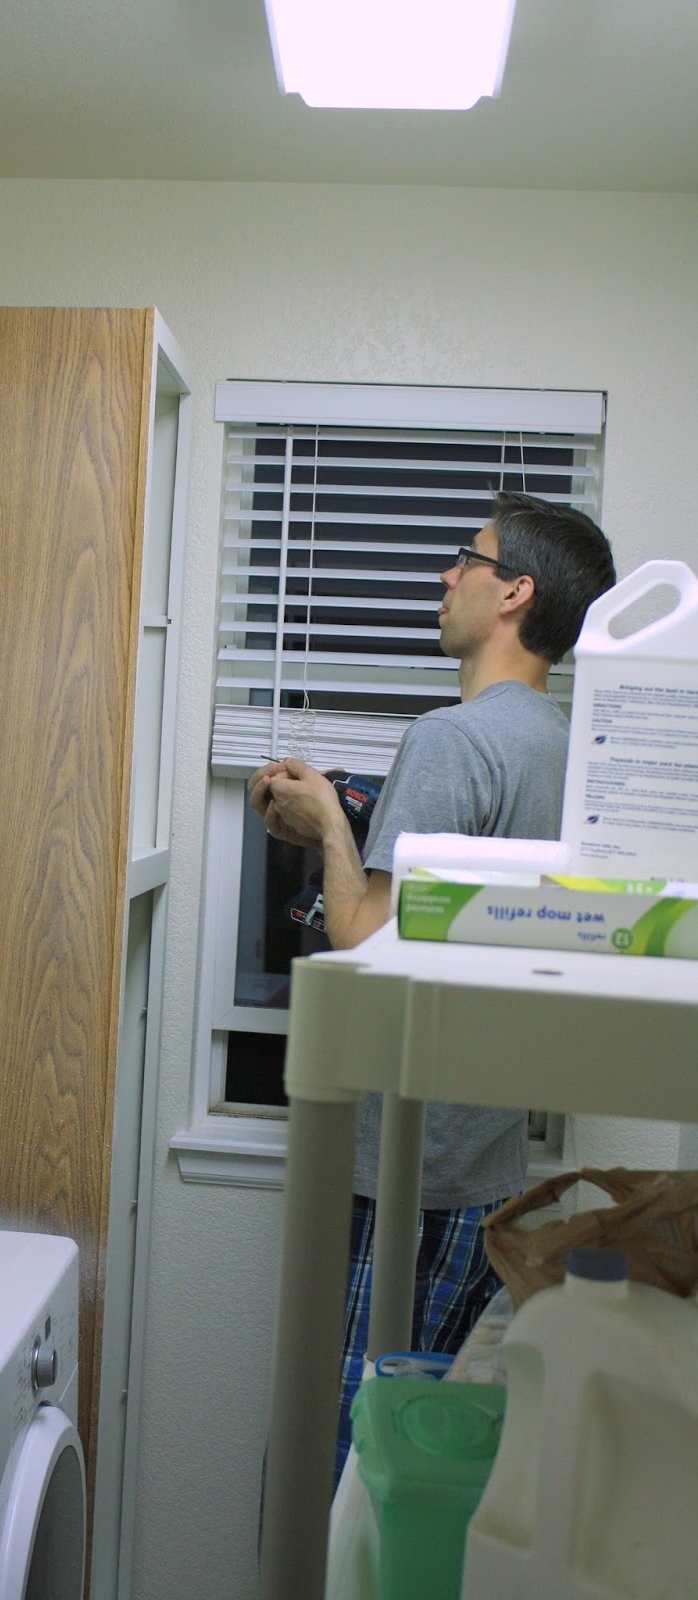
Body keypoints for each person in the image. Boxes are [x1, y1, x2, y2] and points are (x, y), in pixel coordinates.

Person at [249, 490, 616, 1483]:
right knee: (414, 1467)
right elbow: (453, 920)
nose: (445, 575)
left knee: (337, 1475)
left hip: (405, 1173)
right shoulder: (560, 747)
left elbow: (370, 934)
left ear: (515, 593)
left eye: (468, 558)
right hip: (488, 1171)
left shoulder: (453, 741)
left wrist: (329, 825)